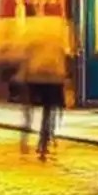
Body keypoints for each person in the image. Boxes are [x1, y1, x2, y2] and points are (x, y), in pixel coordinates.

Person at [20, 16, 74, 160]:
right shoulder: (58, 40)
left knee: (29, 110)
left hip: (36, 78)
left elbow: (26, 58)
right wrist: (65, 80)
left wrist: (24, 75)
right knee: (49, 112)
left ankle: (26, 138)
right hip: (53, 79)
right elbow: (63, 59)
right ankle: (44, 142)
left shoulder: (34, 39)